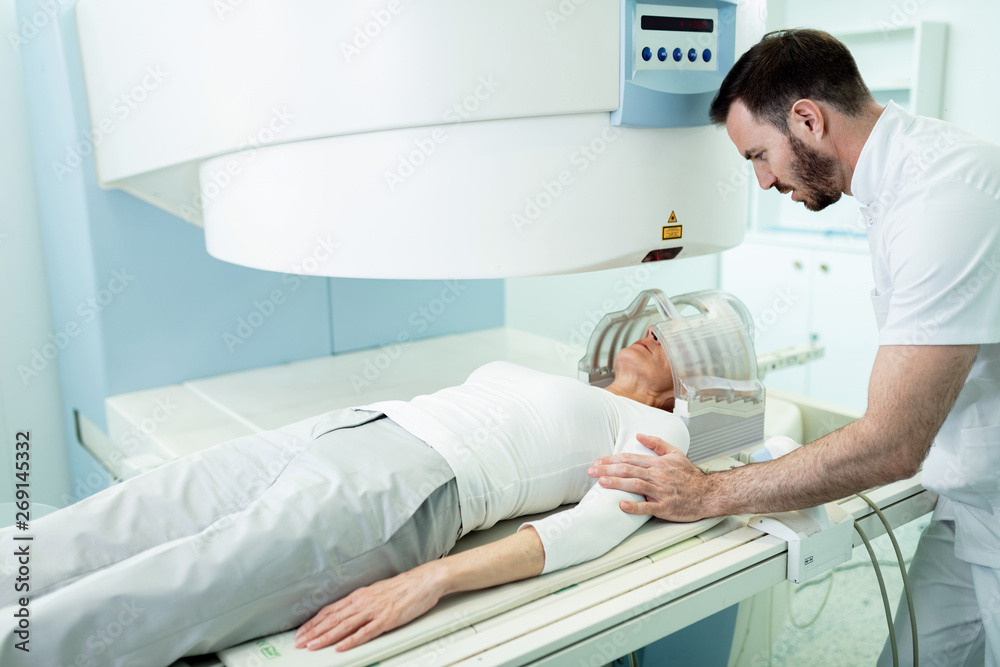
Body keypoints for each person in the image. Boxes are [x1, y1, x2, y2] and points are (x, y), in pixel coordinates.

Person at [589, 29, 1000, 667]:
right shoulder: (898, 181)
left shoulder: (942, 199)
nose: (760, 180)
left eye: (759, 154)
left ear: (807, 119)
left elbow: (893, 443)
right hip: (974, 501)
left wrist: (709, 494)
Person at [0, 325, 689, 667]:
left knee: (175, 583)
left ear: (694, 378)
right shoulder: (575, 382)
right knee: (116, 518)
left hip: (401, 491)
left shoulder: (662, 430)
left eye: (680, 334)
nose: (656, 328)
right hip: (344, 430)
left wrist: (430, 580)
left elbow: (592, 530)